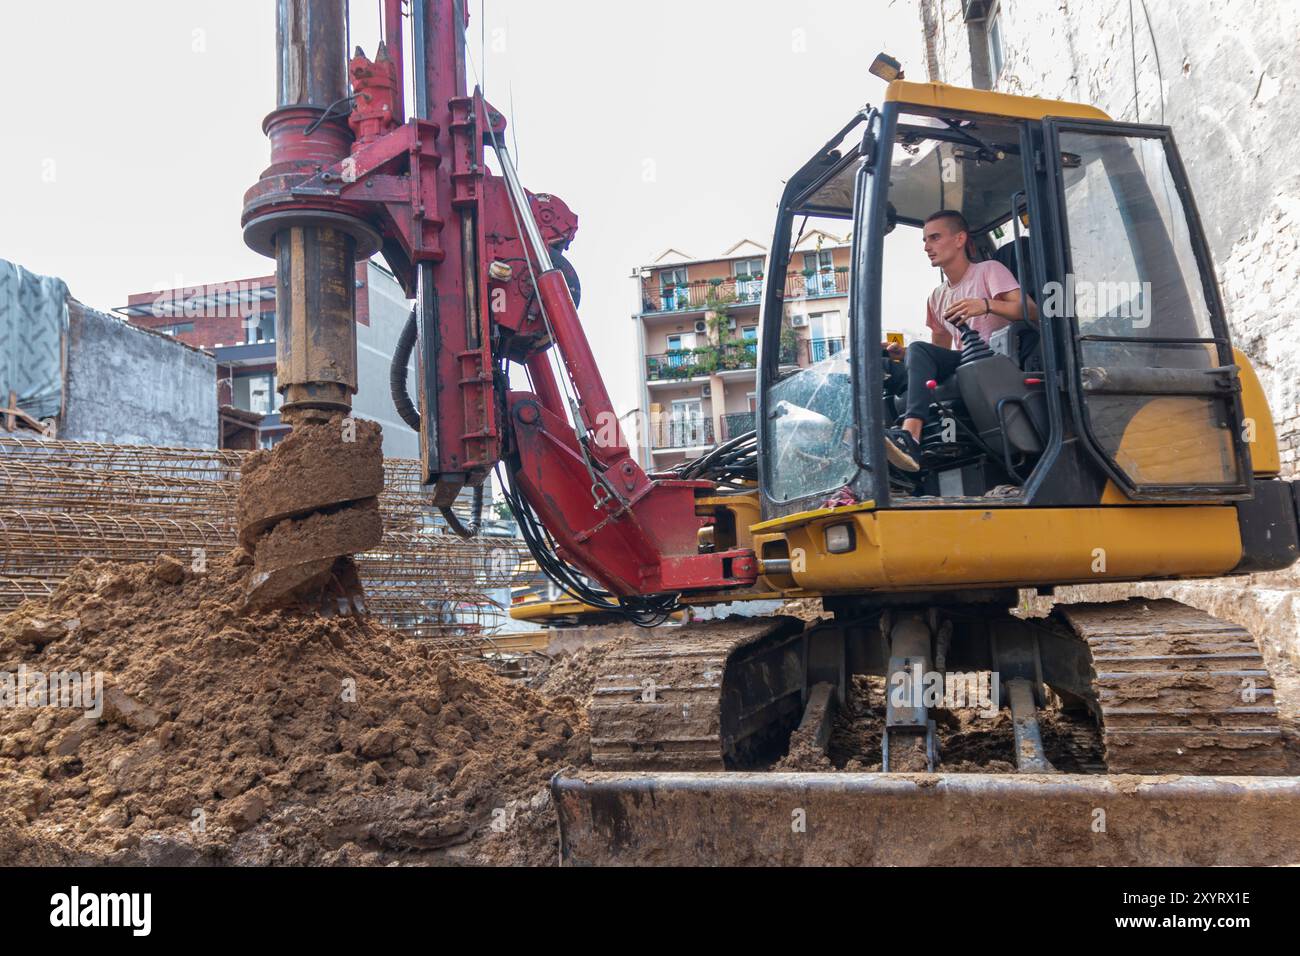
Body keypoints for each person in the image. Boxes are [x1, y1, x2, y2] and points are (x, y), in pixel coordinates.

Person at [882, 209, 1036, 472]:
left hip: (992, 361)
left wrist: (986, 305)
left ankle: (911, 435)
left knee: (918, 351)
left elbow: (1030, 310)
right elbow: (937, 351)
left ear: (959, 239)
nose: (927, 247)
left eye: (934, 238)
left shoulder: (989, 271)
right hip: (963, 361)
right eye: (924, 241)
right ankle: (879, 446)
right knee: (884, 366)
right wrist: (901, 354)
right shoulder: (936, 297)